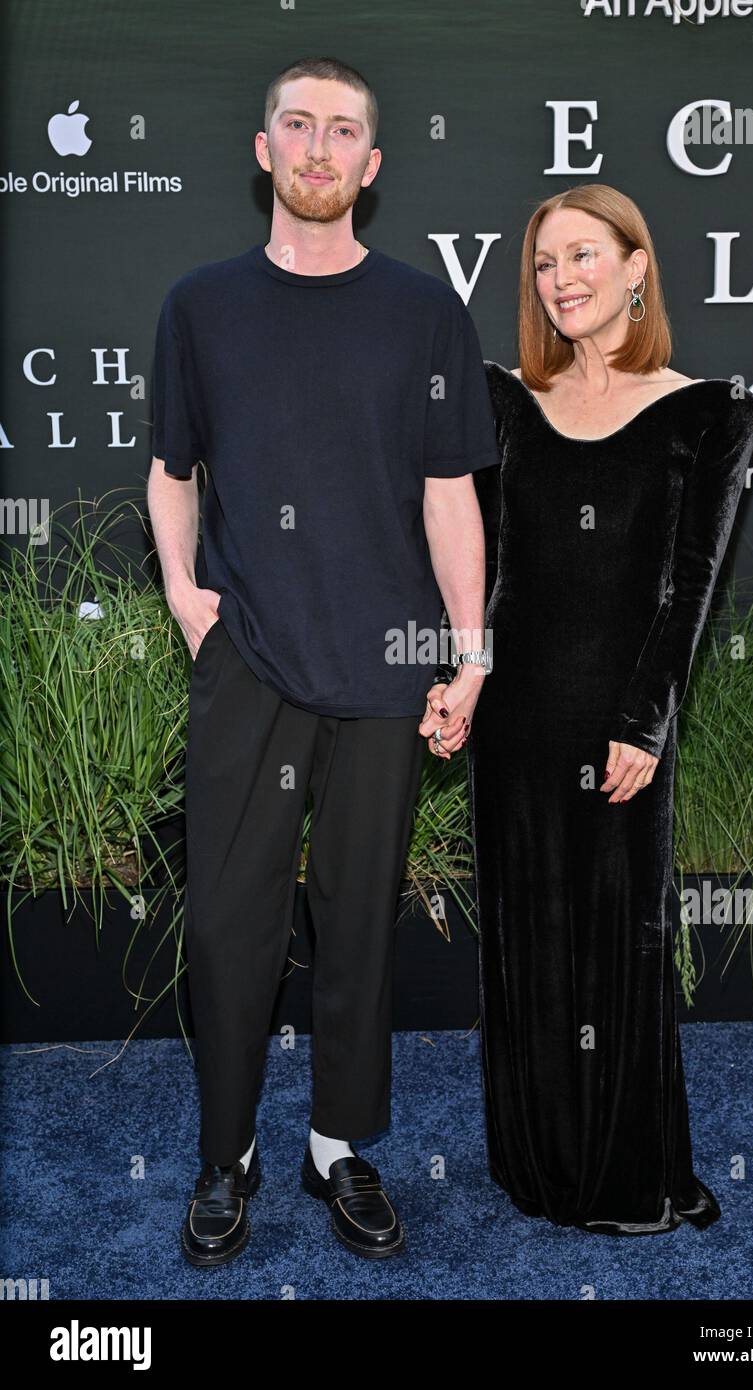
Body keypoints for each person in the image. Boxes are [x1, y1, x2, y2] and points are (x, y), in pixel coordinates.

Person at [147, 56, 498, 1266]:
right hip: (246, 654)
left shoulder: (422, 311)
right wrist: (185, 595)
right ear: (264, 151)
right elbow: (171, 469)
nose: (316, 147)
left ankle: (337, 1145)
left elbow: (449, 495)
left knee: (357, 921)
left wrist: (468, 654)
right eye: (296, 125)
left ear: (371, 163)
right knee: (227, 924)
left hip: (385, 665)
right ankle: (227, 1153)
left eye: (341, 130)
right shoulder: (201, 306)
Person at [425, 184, 753, 1234]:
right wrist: (467, 675)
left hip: (619, 723)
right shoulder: (503, 402)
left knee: (621, 944)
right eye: (542, 263)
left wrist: (645, 723)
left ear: (635, 267)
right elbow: (488, 569)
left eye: (582, 255)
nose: (560, 279)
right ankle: (539, 1165)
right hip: (516, 721)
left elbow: (689, 590)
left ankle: (632, 1170)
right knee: (528, 937)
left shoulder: (707, 414)